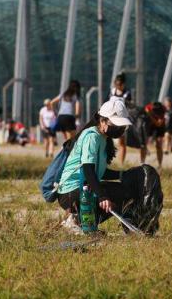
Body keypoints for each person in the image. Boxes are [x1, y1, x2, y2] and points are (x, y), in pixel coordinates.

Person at [56, 98, 132, 234]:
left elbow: (99, 171)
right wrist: (102, 196)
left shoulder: (103, 138)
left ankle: (80, 222)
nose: (119, 130)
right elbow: (88, 169)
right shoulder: (92, 137)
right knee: (118, 194)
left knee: (124, 190)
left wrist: (123, 174)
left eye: (121, 127)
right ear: (102, 121)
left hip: (83, 187)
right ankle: (78, 222)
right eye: (116, 125)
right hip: (70, 193)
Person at [144, 102, 168, 169]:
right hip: (150, 125)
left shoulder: (163, 109)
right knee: (144, 141)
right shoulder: (148, 107)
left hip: (159, 126)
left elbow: (159, 124)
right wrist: (149, 114)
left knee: (159, 145)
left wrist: (150, 116)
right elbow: (146, 110)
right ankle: (145, 153)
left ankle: (160, 164)